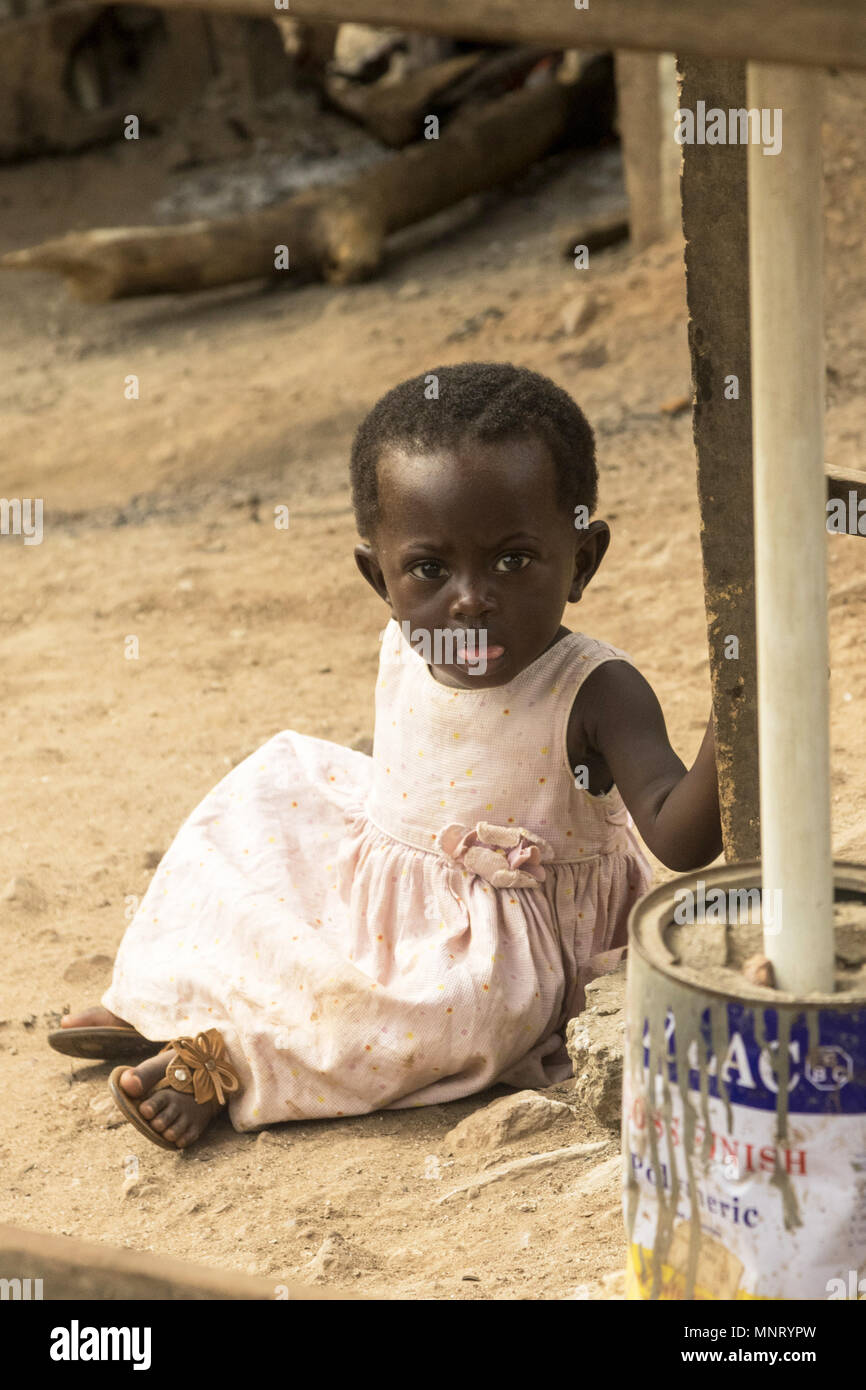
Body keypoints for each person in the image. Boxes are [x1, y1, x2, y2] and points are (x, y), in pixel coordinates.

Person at [51, 361, 722, 1151]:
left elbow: (683, 840)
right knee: (243, 837)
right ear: (379, 577)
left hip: (501, 954)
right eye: (430, 570)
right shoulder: (405, 650)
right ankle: (162, 1000)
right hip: (393, 879)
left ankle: (227, 1060)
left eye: (513, 559)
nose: (470, 597)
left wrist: (741, 707)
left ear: (583, 558)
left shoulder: (597, 692)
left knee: (415, 1012)